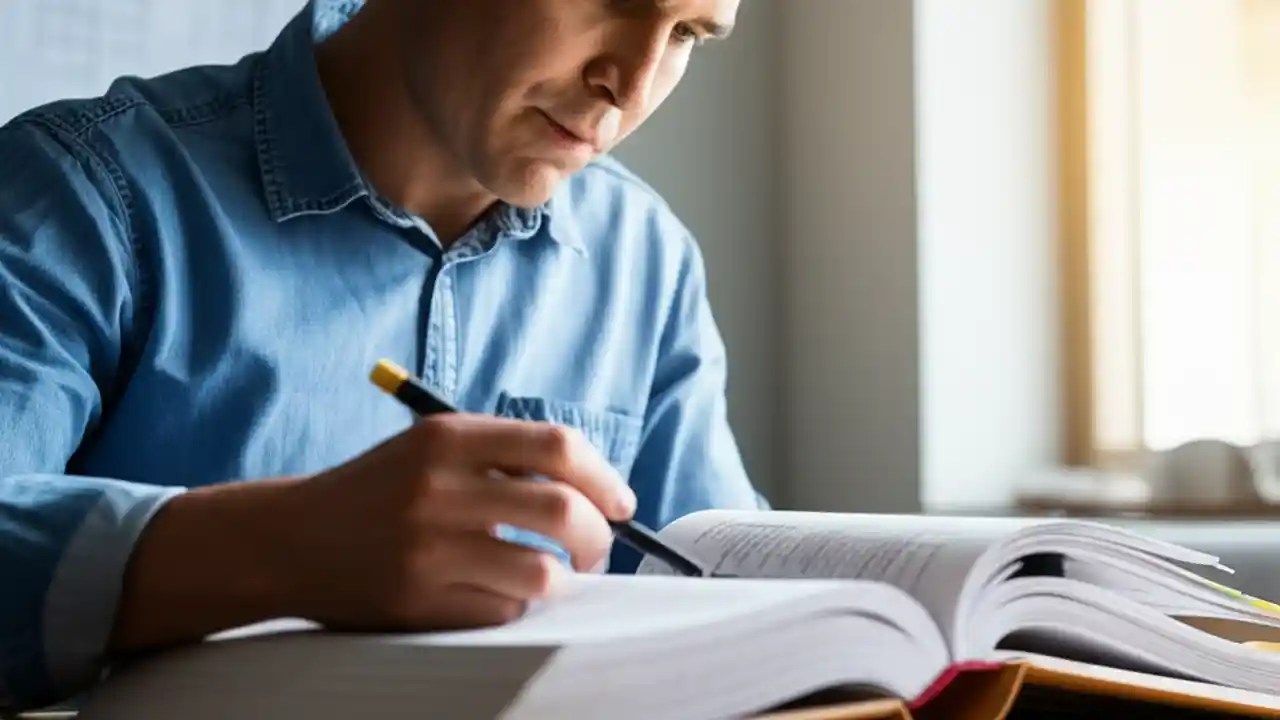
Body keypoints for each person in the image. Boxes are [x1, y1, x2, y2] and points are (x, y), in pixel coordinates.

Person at [0, 0, 763, 710]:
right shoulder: (84, 194)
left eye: (688, 34)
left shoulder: (645, 261)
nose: (628, 87)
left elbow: (724, 593)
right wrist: (283, 546)